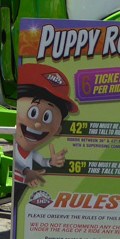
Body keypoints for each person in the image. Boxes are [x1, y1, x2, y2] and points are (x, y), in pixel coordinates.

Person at [12, 63, 76, 198]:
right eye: (33, 112)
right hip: (18, 181)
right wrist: (26, 171)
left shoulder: (31, 152)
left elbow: (41, 161)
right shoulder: (16, 148)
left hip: (24, 183)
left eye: (47, 117)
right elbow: (15, 160)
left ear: (58, 129)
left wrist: (51, 162)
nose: (37, 125)